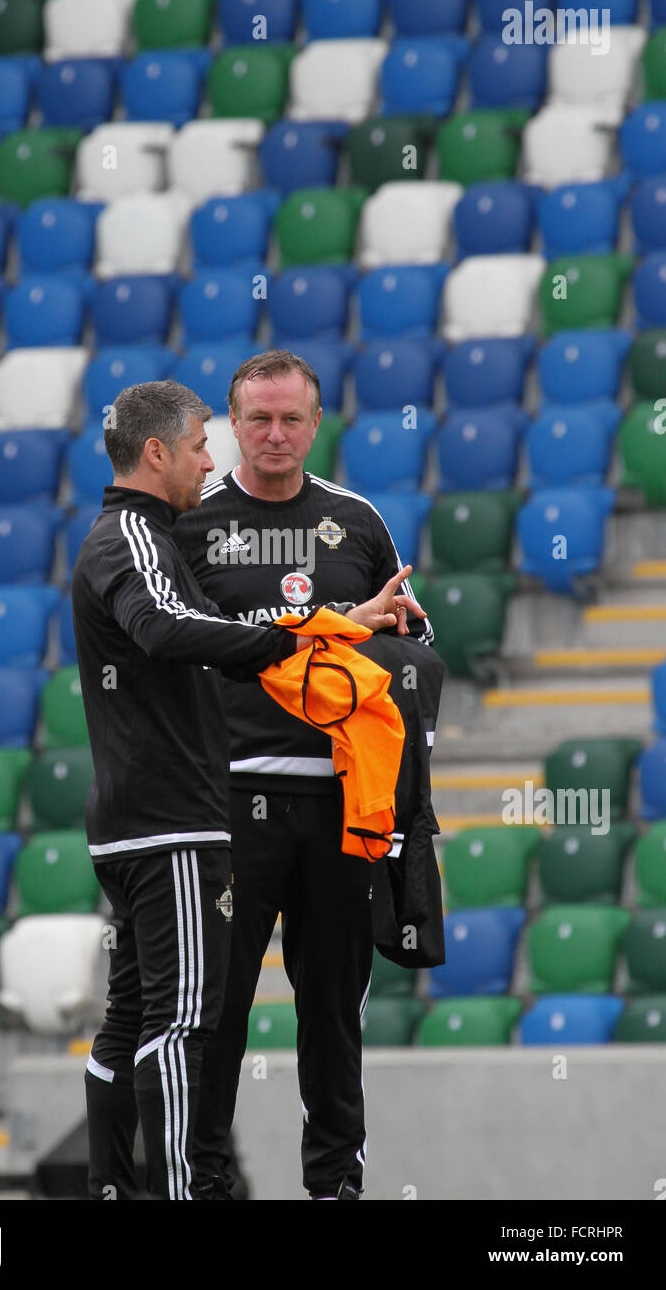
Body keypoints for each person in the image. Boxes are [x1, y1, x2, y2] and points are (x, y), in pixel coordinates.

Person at [175, 349, 432, 1201]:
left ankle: (334, 1189)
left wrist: (385, 634)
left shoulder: (356, 522)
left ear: (317, 423)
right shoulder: (190, 525)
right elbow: (175, 650)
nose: (276, 434)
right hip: (228, 800)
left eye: (291, 418)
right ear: (231, 423)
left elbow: (409, 658)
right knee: (217, 1015)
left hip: (337, 802)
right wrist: (327, 627)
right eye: (259, 418)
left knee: (332, 1017)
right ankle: (203, 1186)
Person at [71, 380, 306, 1202]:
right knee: (180, 1023)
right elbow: (163, 627)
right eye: (202, 445)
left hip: (142, 818)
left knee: (131, 1015)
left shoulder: (141, 535)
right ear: (158, 452)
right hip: (170, 820)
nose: (215, 460)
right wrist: (280, 645)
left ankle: (109, 1188)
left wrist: (333, 627)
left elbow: (195, 625)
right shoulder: (130, 534)